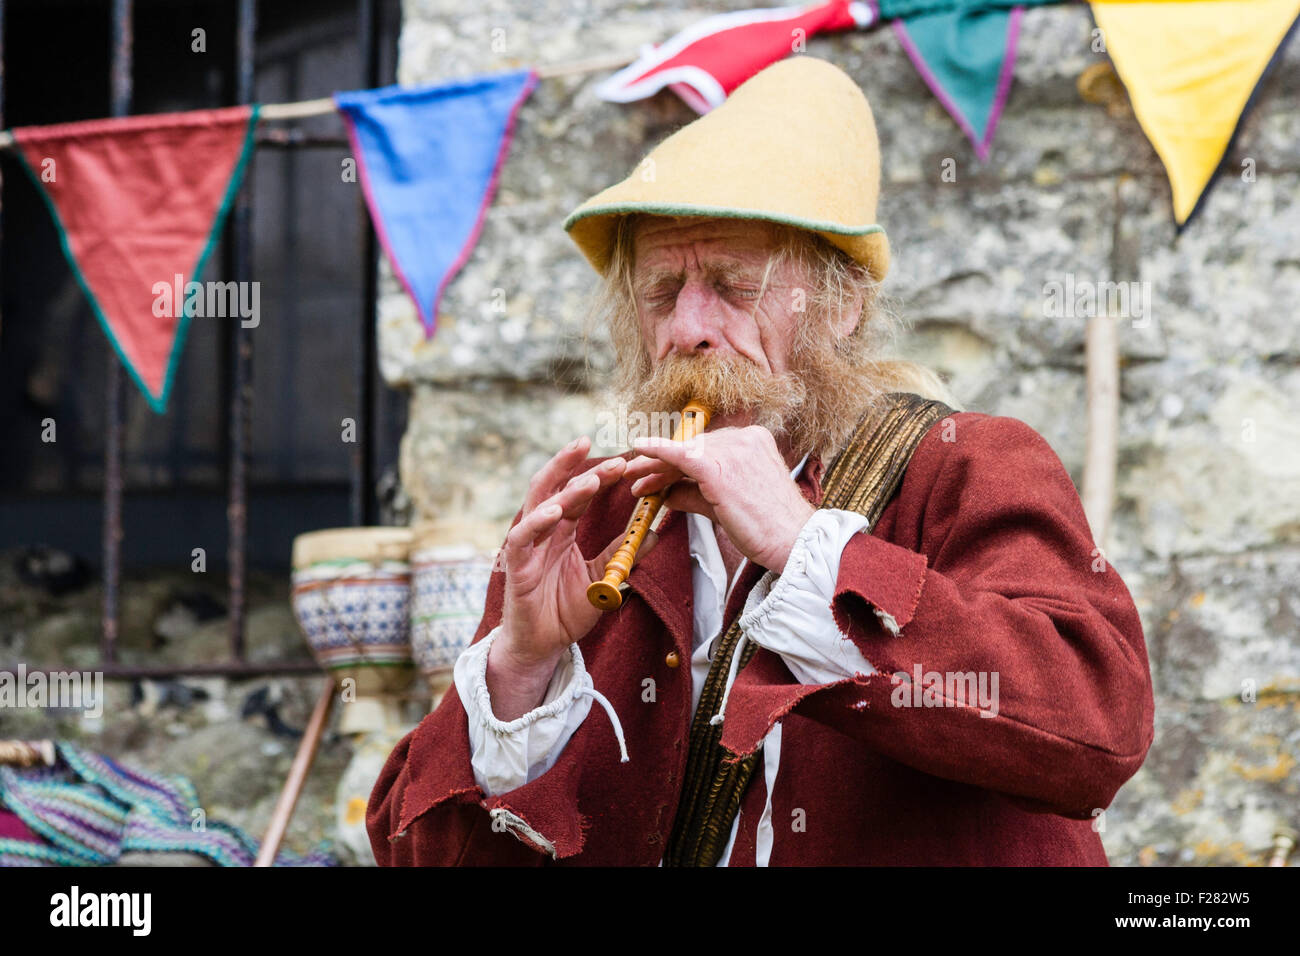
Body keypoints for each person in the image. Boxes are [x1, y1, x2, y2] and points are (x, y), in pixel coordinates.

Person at [367, 55, 1154, 866]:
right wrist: (520, 668)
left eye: (733, 287)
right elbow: (414, 848)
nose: (689, 329)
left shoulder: (968, 466)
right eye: (662, 291)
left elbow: (1100, 728)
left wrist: (808, 546)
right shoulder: (592, 521)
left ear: (842, 305)